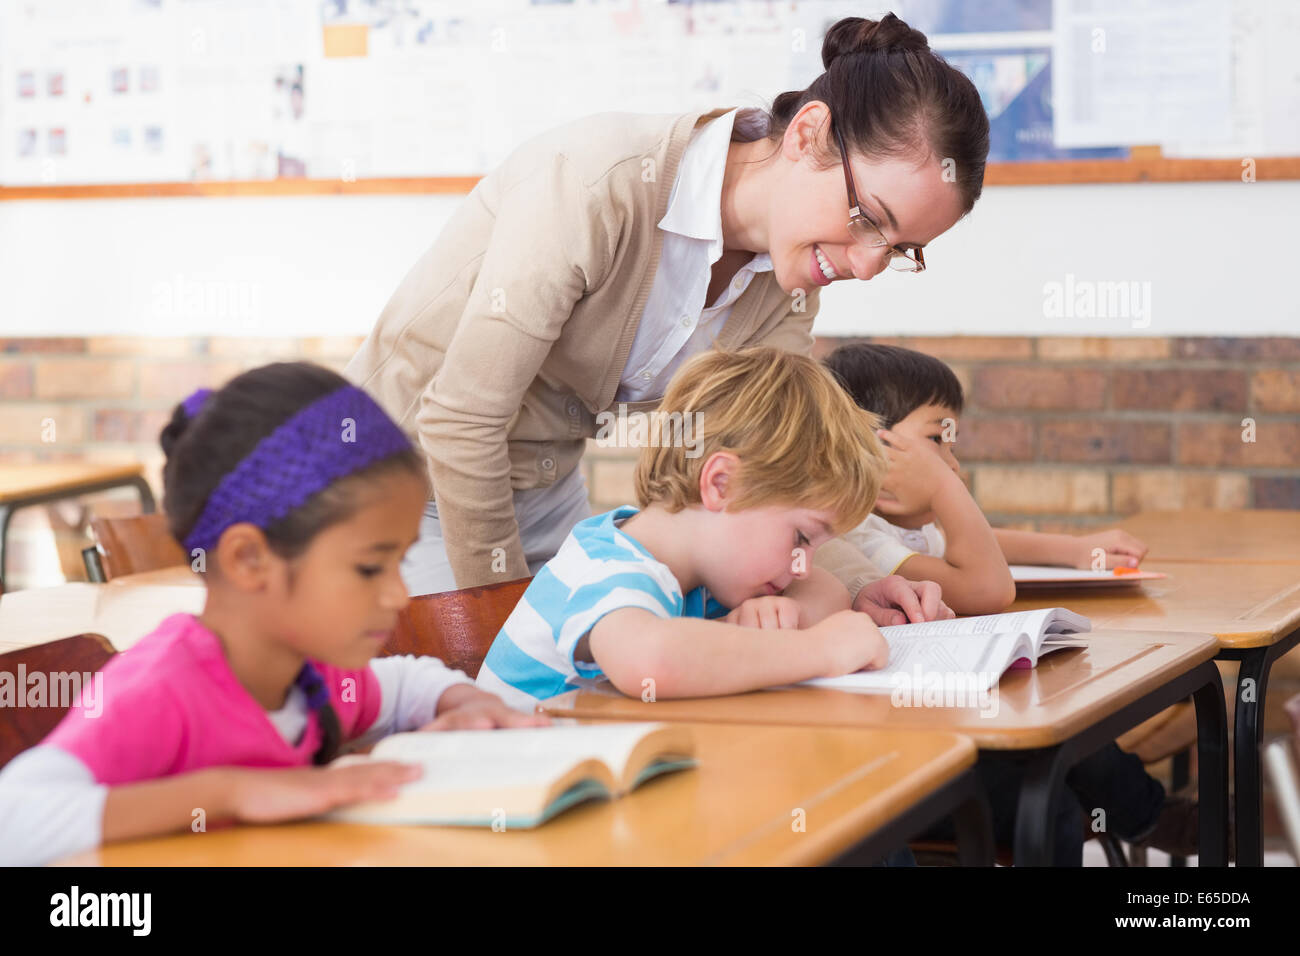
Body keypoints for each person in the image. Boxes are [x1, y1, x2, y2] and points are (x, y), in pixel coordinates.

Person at [344, 13, 989, 631]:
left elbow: (788, 471)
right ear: (806, 134)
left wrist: (856, 584)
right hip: (401, 482)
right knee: (494, 707)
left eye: (900, 248)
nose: (871, 266)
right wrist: (508, 626)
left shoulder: (786, 286)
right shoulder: (598, 187)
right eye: (870, 218)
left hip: (541, 490)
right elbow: (460, 423)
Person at [0, 362, 543, 867]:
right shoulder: (162, 692)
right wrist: (230, 792)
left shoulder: (310, 676)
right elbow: (13, 819)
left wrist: (466, 702)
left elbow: (401, 684)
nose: (399, 595)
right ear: (249, 559)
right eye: (371, 568)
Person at [824, 342, 1201, 858]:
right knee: (1052, 796)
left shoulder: (894, 529)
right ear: (871, 443)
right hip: (904, 754)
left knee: (1071, 733)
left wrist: (1072, 549)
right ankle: (1152, 819)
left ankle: (1150, 817)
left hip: (945, 727)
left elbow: (985, 544)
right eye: (940, 441)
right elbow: (989, 588)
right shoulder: (857, 533)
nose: (953, 464)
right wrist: (941, 487)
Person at [475, 347, 905, 711]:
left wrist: (784, 615)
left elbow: (825, 592)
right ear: (722, 484)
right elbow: (652, 661)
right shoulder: (608, 567)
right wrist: (821, 651)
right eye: (801, 537)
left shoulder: (708, 570)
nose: (801, 567)